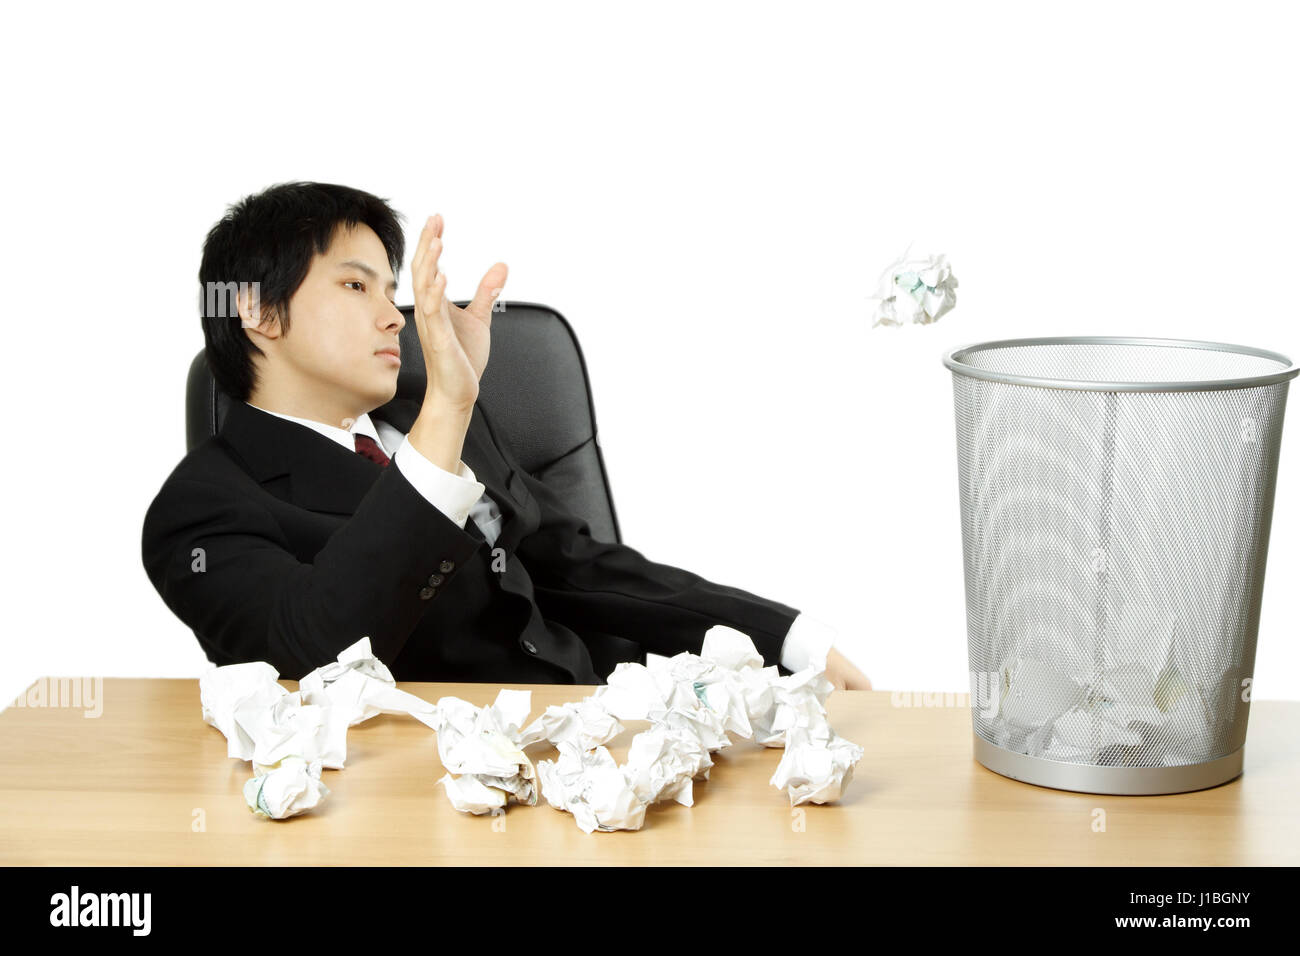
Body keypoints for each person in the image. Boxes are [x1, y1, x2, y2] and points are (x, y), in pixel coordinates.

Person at [141, 182, 872, 690]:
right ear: (258, 314)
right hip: (421, 801)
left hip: (591, 736)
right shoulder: (201, 510)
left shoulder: (425, 417)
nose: (394, 316)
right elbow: (314, 655)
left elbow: (575, 569)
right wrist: (446, 416)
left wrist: (787, 637)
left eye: (392, 288)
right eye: (356, 286)